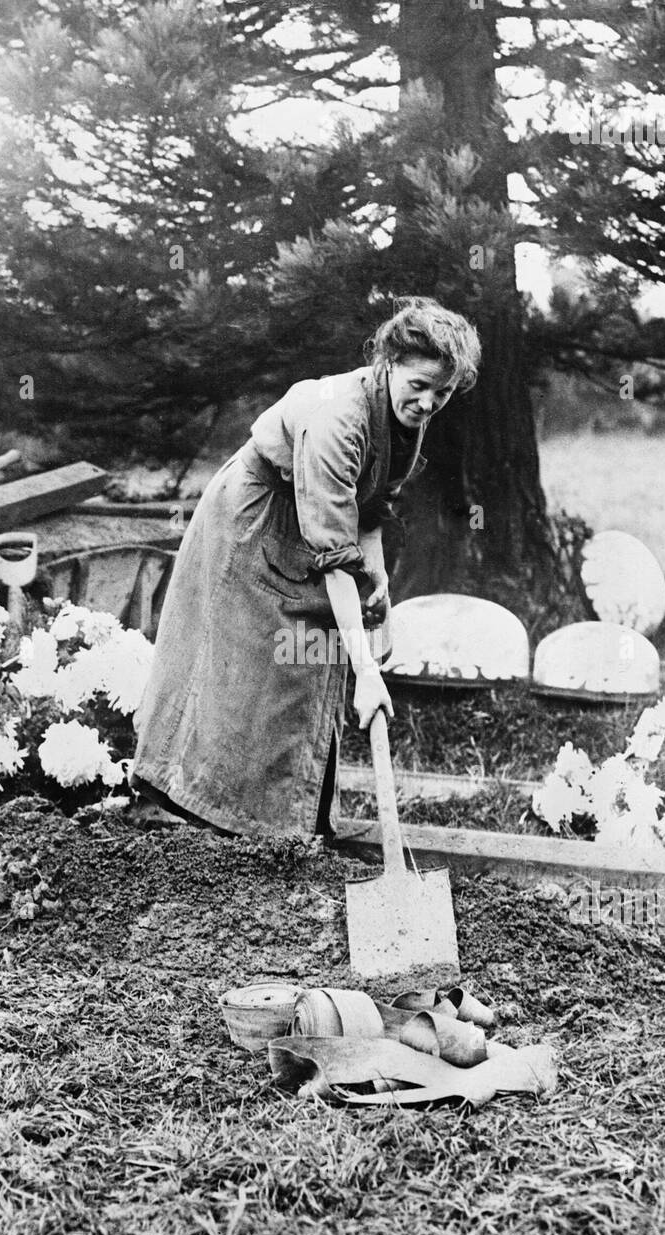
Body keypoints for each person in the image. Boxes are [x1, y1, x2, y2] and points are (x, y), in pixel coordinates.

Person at [131, 295, 482, 836]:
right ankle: (207, 812)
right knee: (248, 668)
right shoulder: (337, 421)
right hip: (254, 519)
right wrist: (366, 672)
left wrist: (380, 575)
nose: (430, 402)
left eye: (444, 392)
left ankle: (286, 822)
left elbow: (369, 508)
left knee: (305, 662)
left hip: (312, 519)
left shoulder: (407, 415)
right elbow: (336, 563)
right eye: (419, 386)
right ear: (388, 364)